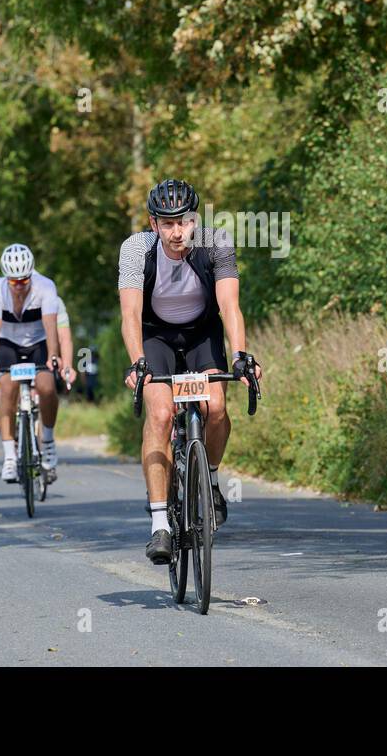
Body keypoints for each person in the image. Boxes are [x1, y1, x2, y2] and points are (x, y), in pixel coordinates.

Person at [119, 179, 262, 565]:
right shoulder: (136, 250)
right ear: (154, 225)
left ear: (195, 220)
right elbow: (130, 313)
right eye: (167, 224)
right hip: (155, 337)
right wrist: (138, 361)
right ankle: (160, 525)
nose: (177, 232)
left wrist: (241, 356)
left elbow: (230, 307)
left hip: (202, 333)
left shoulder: (216, 242)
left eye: (183, 221)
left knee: (216, 407)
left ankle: (210, 480)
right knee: (162, 415)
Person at [0, 244, 72, 483]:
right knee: (7, 390)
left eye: (23, 280)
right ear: (6, 278)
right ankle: (10, 455)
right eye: (14, 282)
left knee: (47, 387)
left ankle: (48, 441)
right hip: (8, 343)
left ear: (31, 274)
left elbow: (51, 325)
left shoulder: (45, 286)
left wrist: (54, 355)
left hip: (38, 343)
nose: (19, 286)